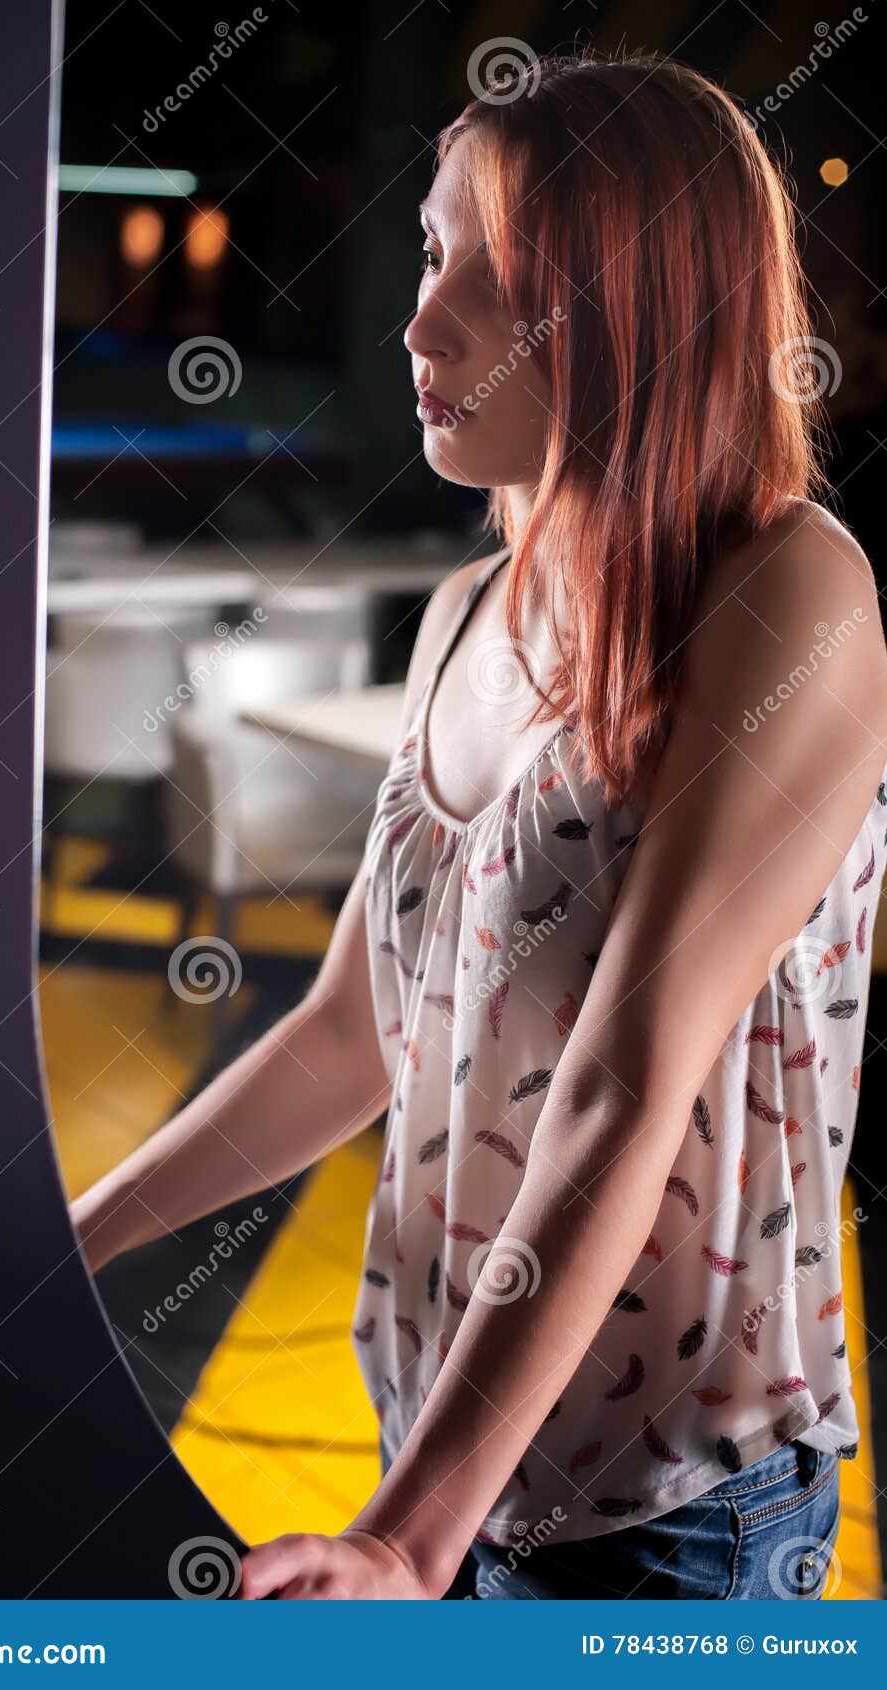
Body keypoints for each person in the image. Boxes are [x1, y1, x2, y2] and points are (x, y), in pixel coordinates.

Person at [69, 49, 887, 1600]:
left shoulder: (786, 597)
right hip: (450, 1444)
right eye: (435, 252)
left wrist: (401, 1535)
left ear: (638, 306)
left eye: (495, 279)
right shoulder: (462, 614)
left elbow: (623, 1081)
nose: (419, 320)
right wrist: (79, 1236)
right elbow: (341, 1038)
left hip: (675, 1517)